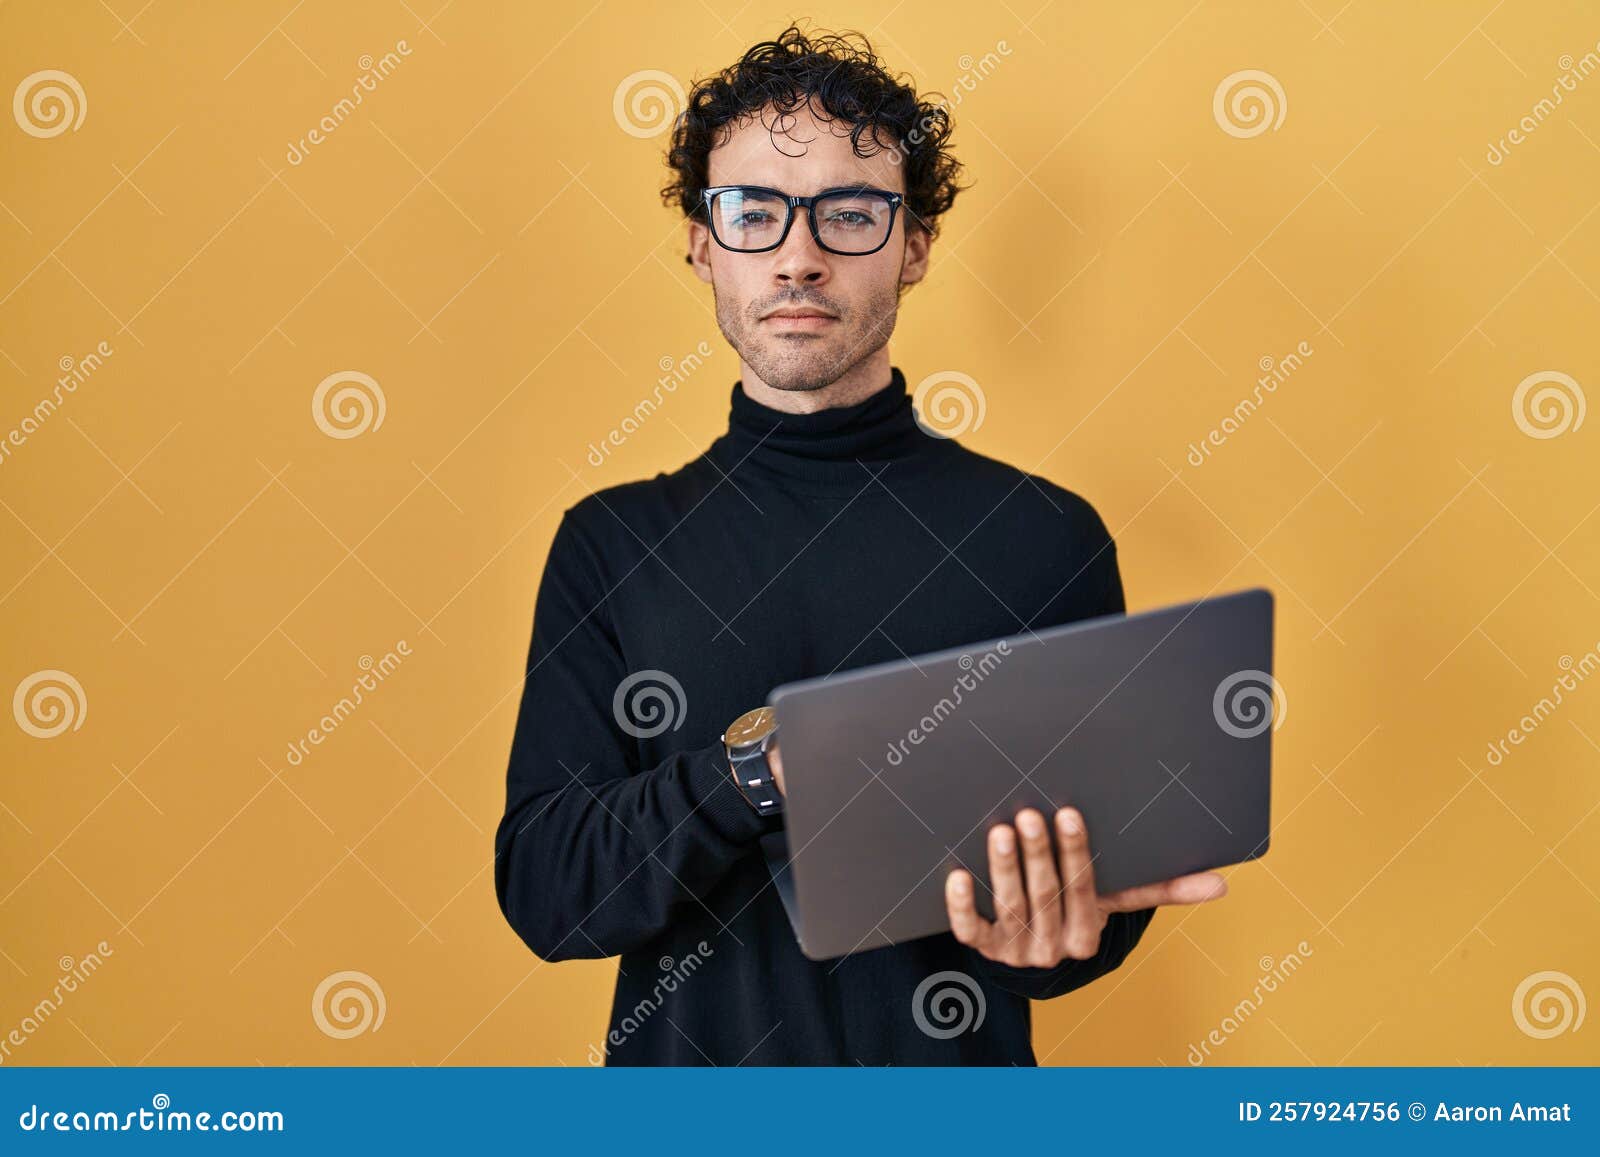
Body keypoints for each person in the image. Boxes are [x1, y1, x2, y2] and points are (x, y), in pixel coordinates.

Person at [494, 24, 1227, 1066]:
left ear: (913, 245)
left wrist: (1056, 939)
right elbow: (549, 890)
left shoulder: (1040, 535)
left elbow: (1084, 910)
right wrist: (772, 770)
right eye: (753, 213)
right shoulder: (612, 542)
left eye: (848, 212)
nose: (798, 256)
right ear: (703, 244)